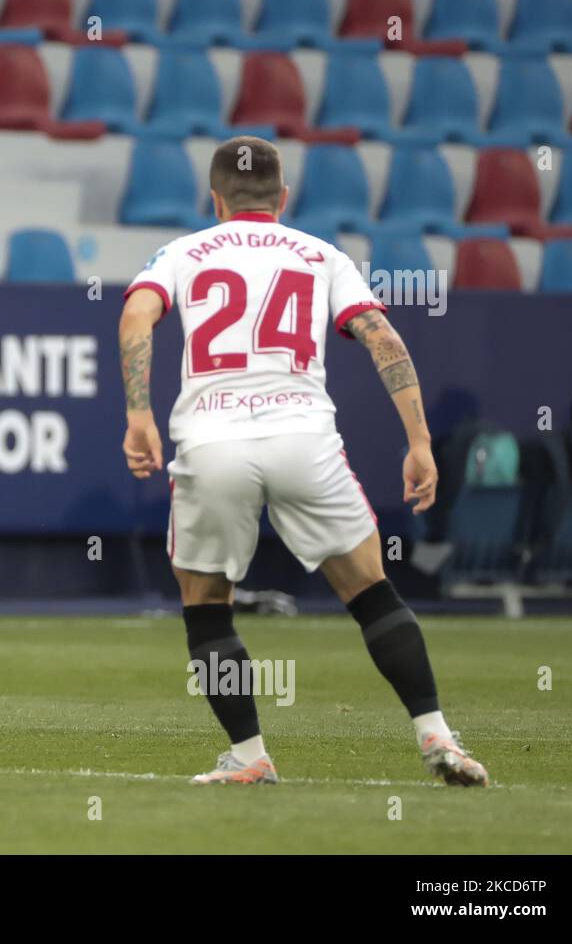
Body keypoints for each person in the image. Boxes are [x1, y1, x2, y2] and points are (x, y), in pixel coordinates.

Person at [118, 136, 489, 786]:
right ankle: (438, 738)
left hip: (213, 441)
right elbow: (382, 337)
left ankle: (250, 755)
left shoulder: (182, 252)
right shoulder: (321, 255)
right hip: (303, 438)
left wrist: (139, 415)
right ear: (283, 197)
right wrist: (420, 440)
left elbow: (135, 318)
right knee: (371, 589)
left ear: (215, 197)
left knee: (206, 604)